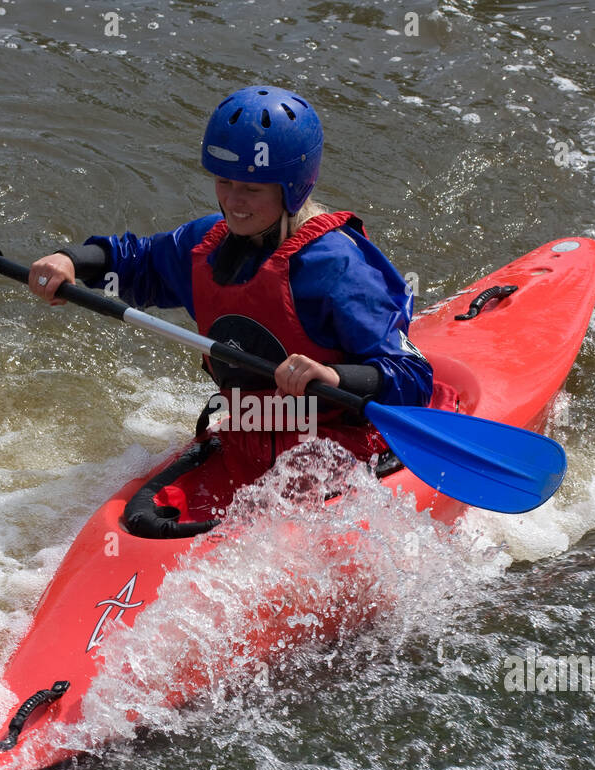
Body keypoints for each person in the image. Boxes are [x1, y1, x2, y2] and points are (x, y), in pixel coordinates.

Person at [28, 85, 433, 490]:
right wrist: (71, 261)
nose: (234, 201)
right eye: (225, 182)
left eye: (252, 189)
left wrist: (332, 376)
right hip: (246, 436)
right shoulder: (207, 243)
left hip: (342, 444)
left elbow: (412, 379)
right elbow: (137, 262)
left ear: (293, 187)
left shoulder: (337, 266)